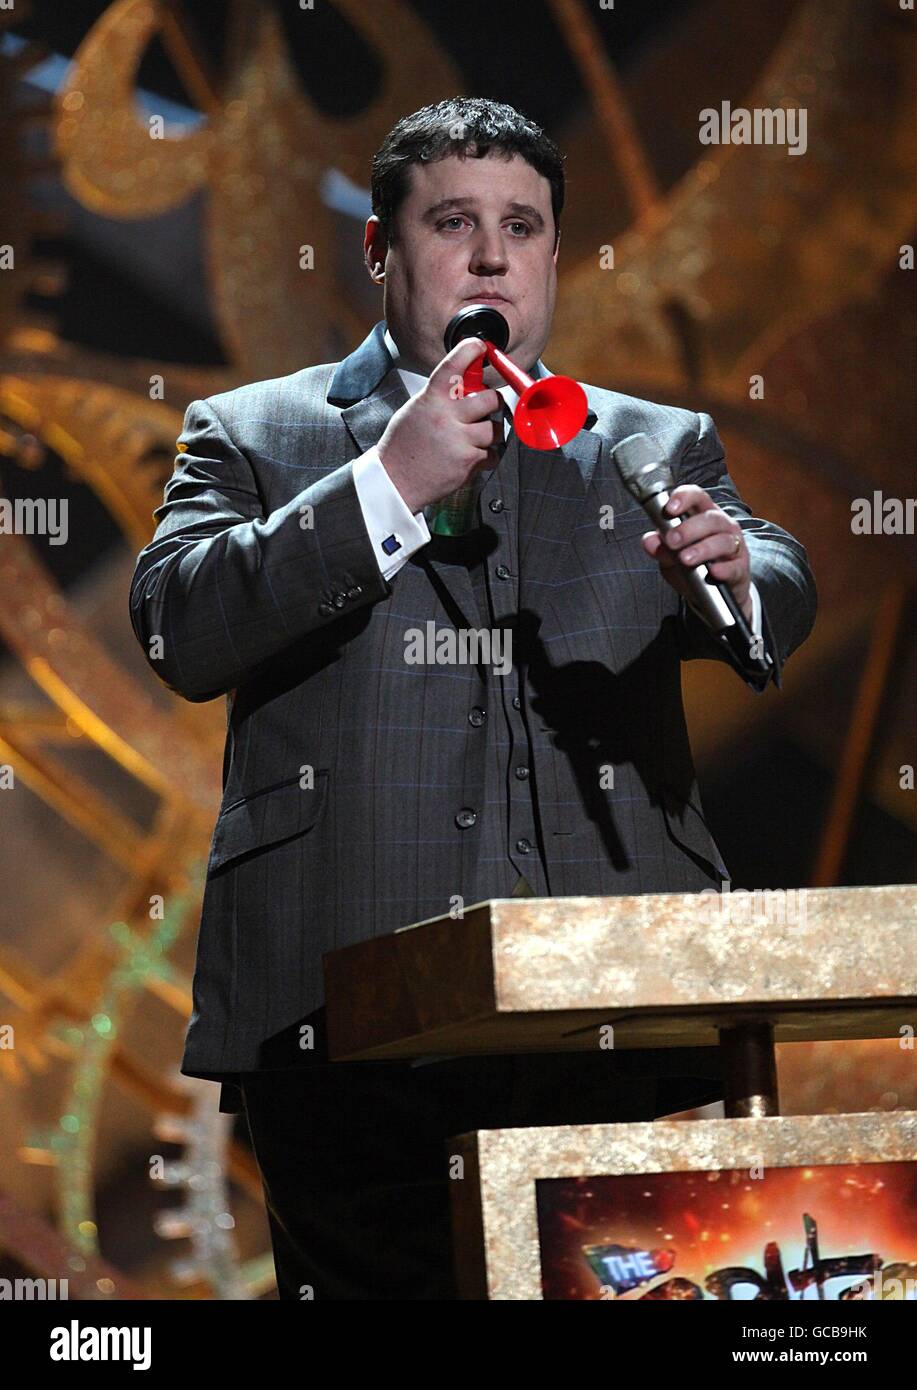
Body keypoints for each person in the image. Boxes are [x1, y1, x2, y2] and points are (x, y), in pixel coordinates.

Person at [129, 97, 816, 1299]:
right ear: (380, 250)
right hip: (341, 1024)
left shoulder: (647, 441)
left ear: (550, 255)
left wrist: (732, 574)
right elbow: (180, 626)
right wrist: (383, 481)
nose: (493, 255)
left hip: (610, 1016)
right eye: (454, 222)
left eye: (523, 227)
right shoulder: (258, 432)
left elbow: (775, 577)